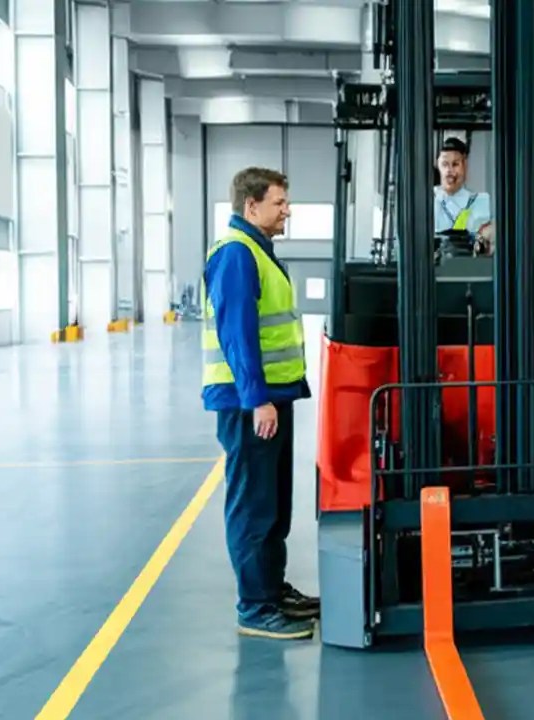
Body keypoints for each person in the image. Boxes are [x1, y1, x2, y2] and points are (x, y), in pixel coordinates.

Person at [202, 167, 320, 640]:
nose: (286, 210)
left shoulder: (258, 251)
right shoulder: (236, 254)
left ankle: (272, 589)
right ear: (251, 207)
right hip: (249, 402)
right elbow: (237, 336)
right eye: (279, 202)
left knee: (272, 503)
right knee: (253, 505)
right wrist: (257, 400)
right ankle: (254, 607)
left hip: (271, 397)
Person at [434, 136, 494, 242]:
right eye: (445, 164)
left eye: (455, 164)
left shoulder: (481, 202)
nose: (449, 171)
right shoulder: (428, 201)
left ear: (465, 165)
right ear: (438, 165)